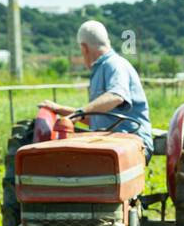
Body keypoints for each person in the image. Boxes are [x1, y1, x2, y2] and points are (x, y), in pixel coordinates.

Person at [38, 19, 154, 160]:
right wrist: (59, 109)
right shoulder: (100, 70)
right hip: (106, 140)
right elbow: (97, 119)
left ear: (84, 48)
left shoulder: (114, 64)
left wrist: (80, 112)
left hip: (132, 140)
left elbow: (116, 96)